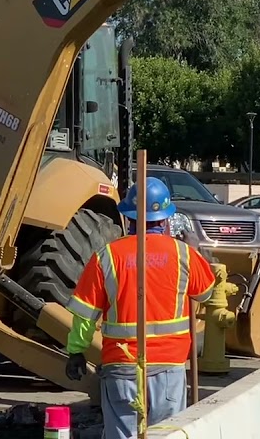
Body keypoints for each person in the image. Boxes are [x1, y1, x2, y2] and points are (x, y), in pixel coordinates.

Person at [64, 177, 217, 438]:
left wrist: (76, 351)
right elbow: (205, 294)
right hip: (169, 366)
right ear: (166, 219)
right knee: (166, 434)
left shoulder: (107, 256)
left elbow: (85, 315)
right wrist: (198, 251)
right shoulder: (183, 254)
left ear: (129, 218)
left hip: (121, 366)